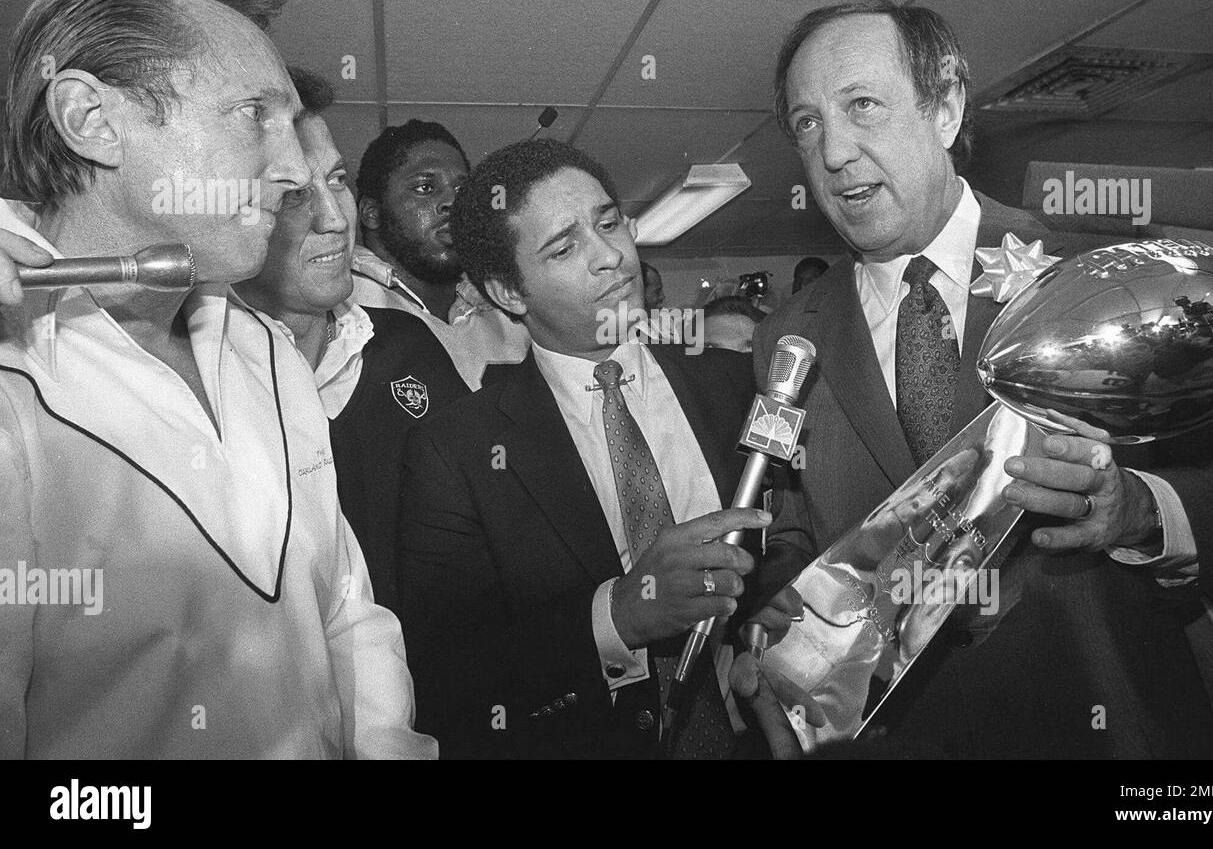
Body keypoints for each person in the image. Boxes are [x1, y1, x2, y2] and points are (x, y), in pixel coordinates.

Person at [744, 0, 1213, 758]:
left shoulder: (1103, 270)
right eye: (807, 123)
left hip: (1110, 724)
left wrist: (1135, 508)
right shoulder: (789, 333)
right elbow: (792, 527)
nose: (834, 150)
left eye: (861, 105)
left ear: (944, 108)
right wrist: (779, 631)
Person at [0, 0, 435, 759]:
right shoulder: (13, 374)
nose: (299, 170)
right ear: (92, 122)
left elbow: (344, 609)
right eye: (254, 116)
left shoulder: (267, 354)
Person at [396, 138, 793, 758]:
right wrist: (619, 617)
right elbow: (450, 671)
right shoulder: (457, 453)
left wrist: (780, 609)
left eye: (609, 223)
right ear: (508, 291)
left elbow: (788, 536)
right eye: (565, 246)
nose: (612, 256)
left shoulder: (732, 383)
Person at [234, 67, 468, 610]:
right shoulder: (206, 383)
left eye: (336, 179)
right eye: (292, 195)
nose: (335, 219)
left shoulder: (409, 345)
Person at [351, 119, 530, 389]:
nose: (452, 204)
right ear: (371, 213)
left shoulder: (512, 314)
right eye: (425, 187)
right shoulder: (338, 304)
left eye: (462, 191)